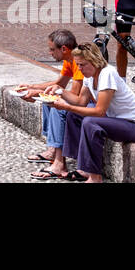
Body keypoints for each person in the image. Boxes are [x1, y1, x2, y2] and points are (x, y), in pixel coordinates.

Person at [45, 43, 135, 182]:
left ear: (95, 61)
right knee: (74, 115)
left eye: (83, 64)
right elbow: (81, 102)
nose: (79, 68)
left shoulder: (107, 73)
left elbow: (99, 112)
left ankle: (95, 177)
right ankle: (82, 167)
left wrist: (66, 107)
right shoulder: (89, 76)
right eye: (78, 65)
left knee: (90, 122)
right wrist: (60, 91)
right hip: (120, 120)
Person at [17, 29, 85, 179]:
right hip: (82, 101)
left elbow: (75, 95)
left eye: (52, 49)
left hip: (90, 104)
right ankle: (53, 149)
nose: (50, 53)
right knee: (48, 99)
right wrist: (32, 88)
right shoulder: (69, 59)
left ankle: (60, 163)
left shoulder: (80, 61)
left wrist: (45, 94)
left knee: (57, 107)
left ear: (64, 49)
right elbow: (59, 83)